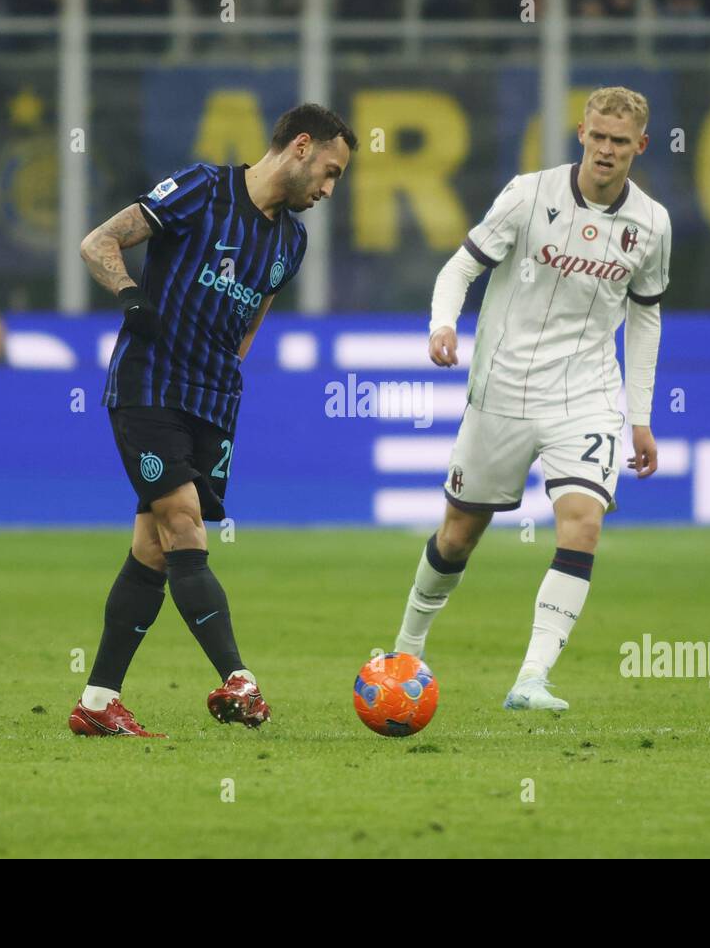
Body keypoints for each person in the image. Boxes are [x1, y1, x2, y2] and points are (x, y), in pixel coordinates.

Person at [69, 103, 356, 737]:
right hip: (149, 390)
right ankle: (238, 678)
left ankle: (96, 703)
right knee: (183, 523)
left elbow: (248, 329)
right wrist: (129, 296)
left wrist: (217, 376)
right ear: (301, 147)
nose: (330, 189)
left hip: (213, 403)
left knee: (152, 546)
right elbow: (99, 242)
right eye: (330, 172)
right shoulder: (202, 188)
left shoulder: (292, 241)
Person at [392, 86, 670, 711]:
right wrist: (443, 324)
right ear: (581, 132)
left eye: (619, 142)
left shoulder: (652, 224)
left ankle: (531, 679)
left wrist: (641, 418)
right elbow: (459, 268)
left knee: (583, 524)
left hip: (586, 397)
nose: (606, 150)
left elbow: (647, 318)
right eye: (597, 137)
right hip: (503, 392)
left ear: (640, 147)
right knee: (459, 535)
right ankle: (407, 647)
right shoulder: (528, 194)